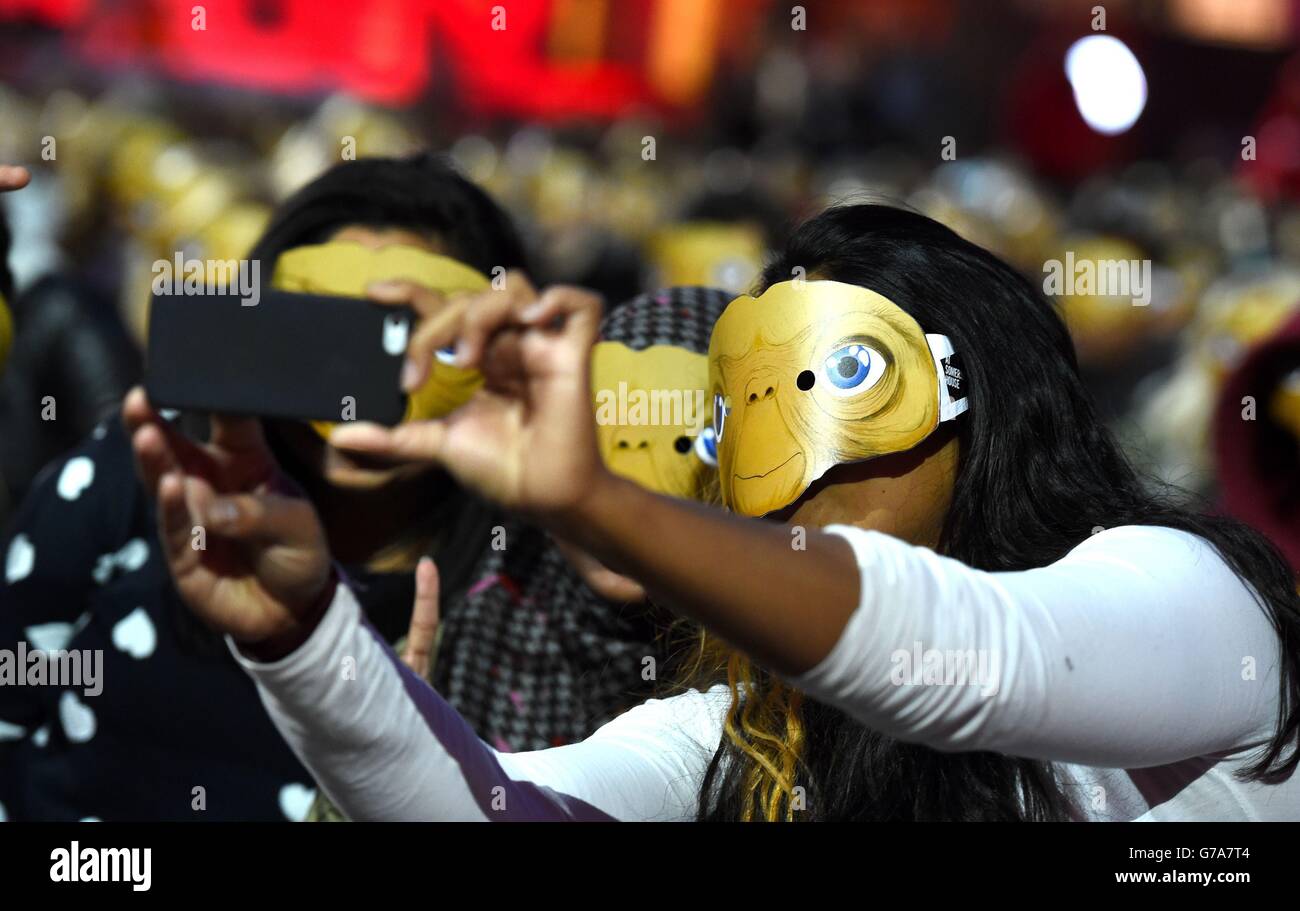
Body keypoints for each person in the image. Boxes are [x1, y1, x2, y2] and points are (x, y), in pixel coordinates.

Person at [130, 204, 1300, 821]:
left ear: (974, 396)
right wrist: (302, 636)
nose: (790, 453)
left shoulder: (1192, 602)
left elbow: (971, 657)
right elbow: (494, 813)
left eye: (840, 378)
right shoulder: (751, 735)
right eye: (743, 407)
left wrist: (592, 499)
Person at [0, 154, 528, 820]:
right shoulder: (140, 475)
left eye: (421, 341)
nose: (356, 391)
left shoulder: (524, 597)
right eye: (324, 332)